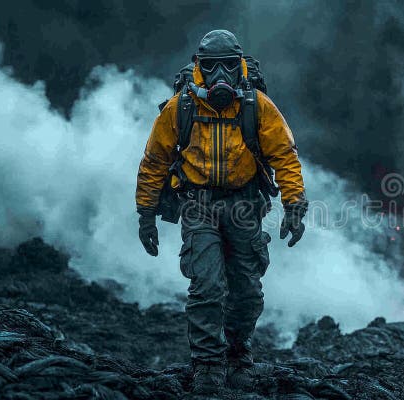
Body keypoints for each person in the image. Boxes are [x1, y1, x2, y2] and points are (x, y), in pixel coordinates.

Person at [135, 29, 307, 393]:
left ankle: (237, 357)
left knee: (246, 290)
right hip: (198, 206)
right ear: (199, 67)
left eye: (230, 65)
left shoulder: (256, 106)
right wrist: (145, 213)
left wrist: (295, 205)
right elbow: (154, 161)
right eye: (211, 66)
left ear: (241, 65)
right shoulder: (180, 108)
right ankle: (207, 366)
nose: (221, 76)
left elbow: (285, 158)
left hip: (245, 206)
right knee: (206, 286)